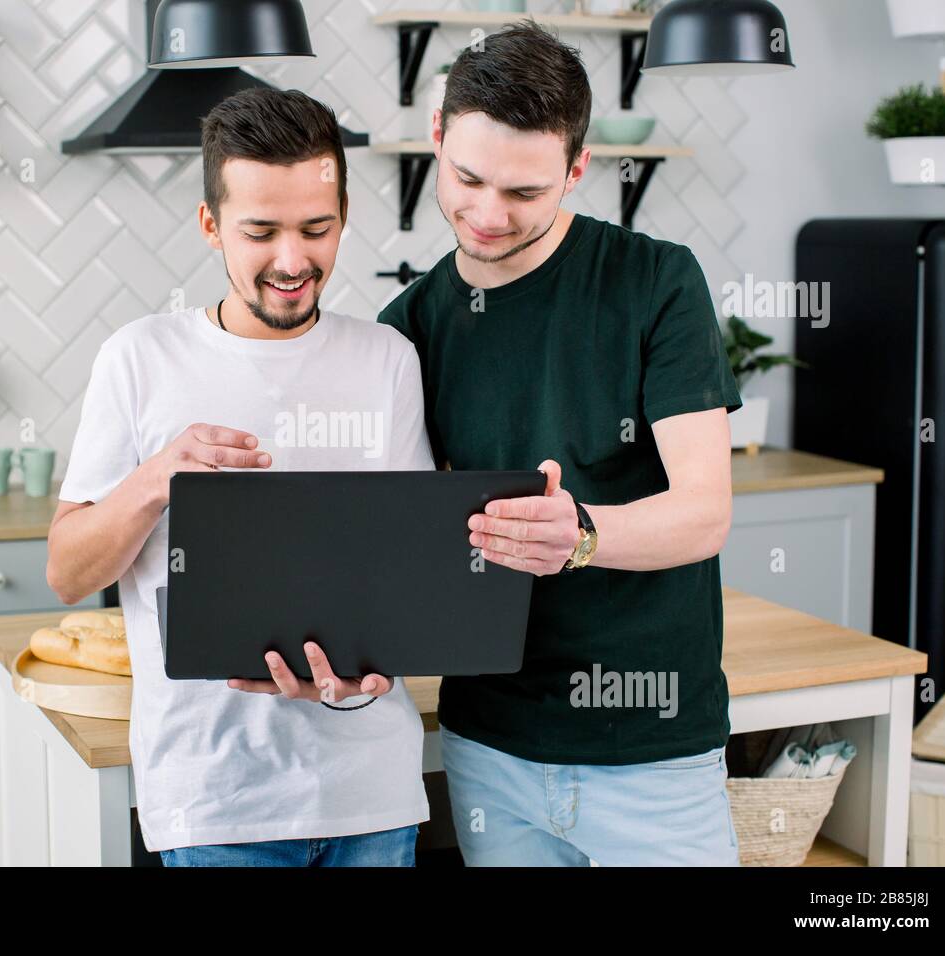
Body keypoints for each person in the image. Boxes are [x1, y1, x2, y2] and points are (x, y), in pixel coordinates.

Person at [378, 20, 743, 866]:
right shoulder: (408, 333)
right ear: (436, 135)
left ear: (576, 170)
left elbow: (703, 513)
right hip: (489, 748)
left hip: (653, 752)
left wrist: (582, 535)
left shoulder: (657, 281)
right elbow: (392, 540)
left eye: (525, 192)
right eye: (468, 178)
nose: (489, 213)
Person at [46, 86, 434, 866]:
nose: (293, 262)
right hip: (214, 801)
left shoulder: (386, 359)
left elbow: (411, 575)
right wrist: (157, 478)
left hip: (372, 792)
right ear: (211, 224)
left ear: (344, 217)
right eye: (261, 232)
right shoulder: (140, 357)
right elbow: (66, 571)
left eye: (316, 230)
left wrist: (359, 676)